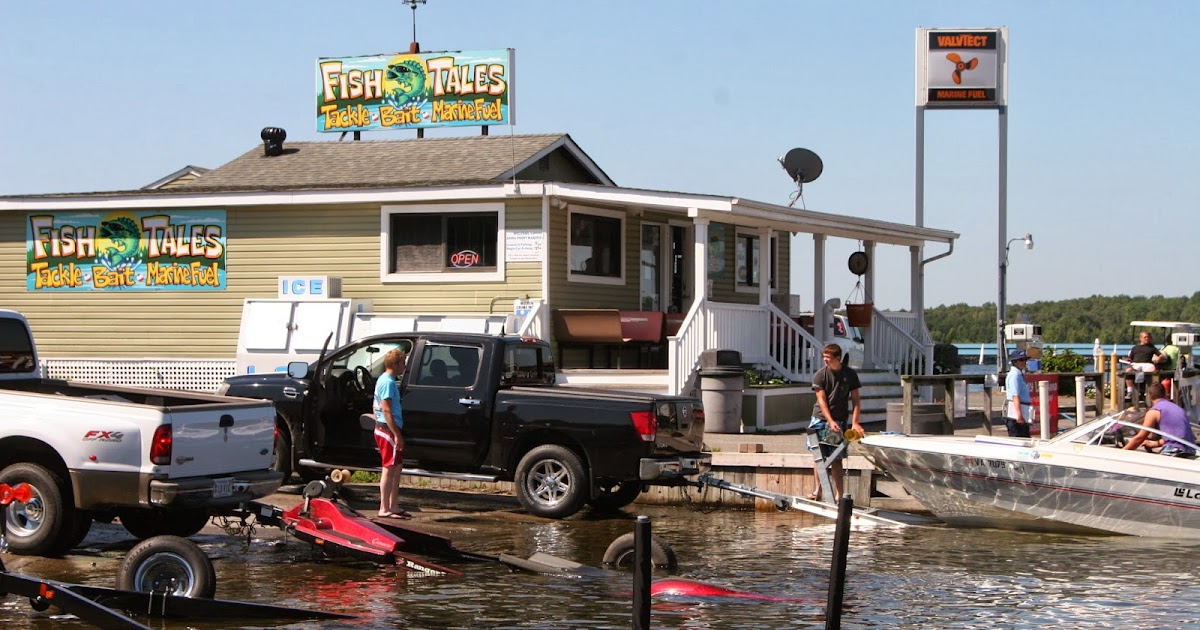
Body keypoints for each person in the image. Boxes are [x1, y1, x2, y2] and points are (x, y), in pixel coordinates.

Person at [807, 343, 864, 502]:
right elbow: (821, 400)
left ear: (837, 358)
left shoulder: (850, 374)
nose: (825, 360)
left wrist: (855, 422)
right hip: (820, 418)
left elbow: (856, 400)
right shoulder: (820, 375)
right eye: (823, 357)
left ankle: (839, 494)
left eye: (828, 357)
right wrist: (830, 421)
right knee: (819, 456)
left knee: (836, 457)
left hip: (839, 419)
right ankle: (818, 490)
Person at [373, 348, 409, 519]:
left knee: (396, 467)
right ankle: (384, 507)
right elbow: (386, 410)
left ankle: (393, 505)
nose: (405, 367)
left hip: (389, 428)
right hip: (387, 429)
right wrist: (396, 434)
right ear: (395, 364)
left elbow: (375, 406)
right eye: (402, 363)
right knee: (389, 468)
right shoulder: (387, 382)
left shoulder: (385, 380)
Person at [1122, 383, 1197, 458]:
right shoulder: (1178, 408)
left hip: (1175, 450)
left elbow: (1140, 438)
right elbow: (1176, 436)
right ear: (1165, 394)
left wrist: (1122, 452)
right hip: (1191, 450)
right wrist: (1155, 444)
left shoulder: (1154, 411)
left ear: (1149, 396)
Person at [1123, 331, 1161, 402]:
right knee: (1128, 371)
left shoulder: (1152, 347)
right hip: (1136, 364)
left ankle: (1148, 390)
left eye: (1148, 337)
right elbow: (1130, 358)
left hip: (1147, 364)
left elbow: (1160, 354)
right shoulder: (1135, 348)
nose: (1147, 338)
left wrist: (1159, 358)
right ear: (1141, 338)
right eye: (1145, 337)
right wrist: (1127, 360)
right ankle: (1129, 391)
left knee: (1152, 369)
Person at [1004, 349, 1032, 438]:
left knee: (1024, 438)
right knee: (1018, 439)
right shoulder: (1014, 375)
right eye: (1021, 360)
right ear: (1014, 362)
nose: (1024, 362)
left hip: (1023, 410)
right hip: (1016, 414)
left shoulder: (1019, 374)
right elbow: (1015, 396)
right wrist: (1019, 416)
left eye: (1025, 359)